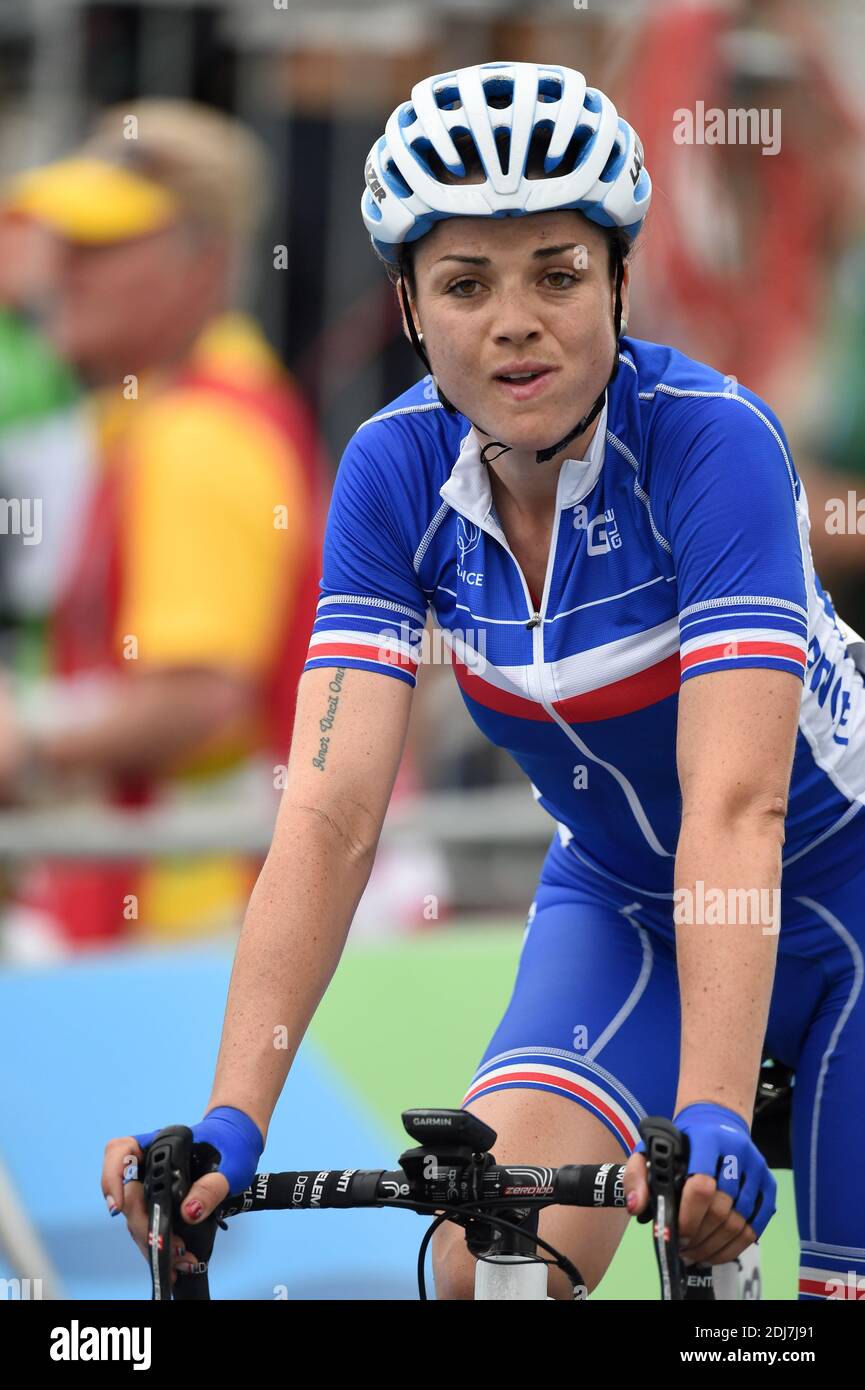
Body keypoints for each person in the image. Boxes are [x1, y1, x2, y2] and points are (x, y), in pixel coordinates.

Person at [104, 62, 865, 1300]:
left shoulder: (710, 441)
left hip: (840, 892)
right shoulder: (392, 469)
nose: (515, 320)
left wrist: (711, 1112)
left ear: (618, 278)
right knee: (487, 1263)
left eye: (558, 274)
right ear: (408, 305)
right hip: (621, 907)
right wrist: (232, 1119)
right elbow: (332, 812)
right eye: (466, 284)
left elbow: (738, 809)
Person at [0, 101, 326, 953]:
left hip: (198, 929)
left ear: (206, 261)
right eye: (61, 243)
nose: (60, 272)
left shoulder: (198, 435)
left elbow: (200, 697)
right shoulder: (176, 412)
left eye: (102, 247)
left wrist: (24, 738)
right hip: (197, 921)